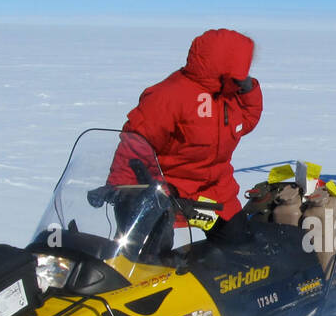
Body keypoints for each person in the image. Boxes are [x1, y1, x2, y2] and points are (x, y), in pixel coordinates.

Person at [107, 28, 263, 245]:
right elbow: (134, 147)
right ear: (225, 65)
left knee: (238, 251)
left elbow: (244, 122)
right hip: (167, 193)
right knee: (148, 263)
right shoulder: (168, 96)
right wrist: (123, 191)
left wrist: (249, 91)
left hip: (217, 191)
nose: (245, 73)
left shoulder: (229, 95)